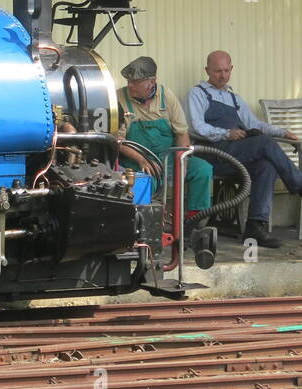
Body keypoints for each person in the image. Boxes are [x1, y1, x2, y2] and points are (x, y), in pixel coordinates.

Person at [187, 50, 302, 249]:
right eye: (217, 71)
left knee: (266, 166)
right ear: (207, 70)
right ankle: (299, 184)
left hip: (235, 154)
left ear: (231, 69)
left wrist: (283, 132)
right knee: (265, 143)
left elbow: (255, 125)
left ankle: (255, 226)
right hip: (212, 154)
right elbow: (196, 127)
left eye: (226, 71)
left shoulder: (234, 98)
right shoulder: (197, 93)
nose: (223, 75)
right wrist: (226, 133)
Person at [114, 56, 213, 230]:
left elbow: (182, 133)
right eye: (128, 81)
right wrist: (142, 160)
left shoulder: (167, 97)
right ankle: (143, 226)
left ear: (151, 82)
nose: (130, 85)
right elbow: (118, 141)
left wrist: (181, 162)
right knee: (144, 181)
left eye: (136, 82)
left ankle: (194, 222)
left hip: (168, 158)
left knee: (202, 169)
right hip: (136, 162)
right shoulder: (119, 99)